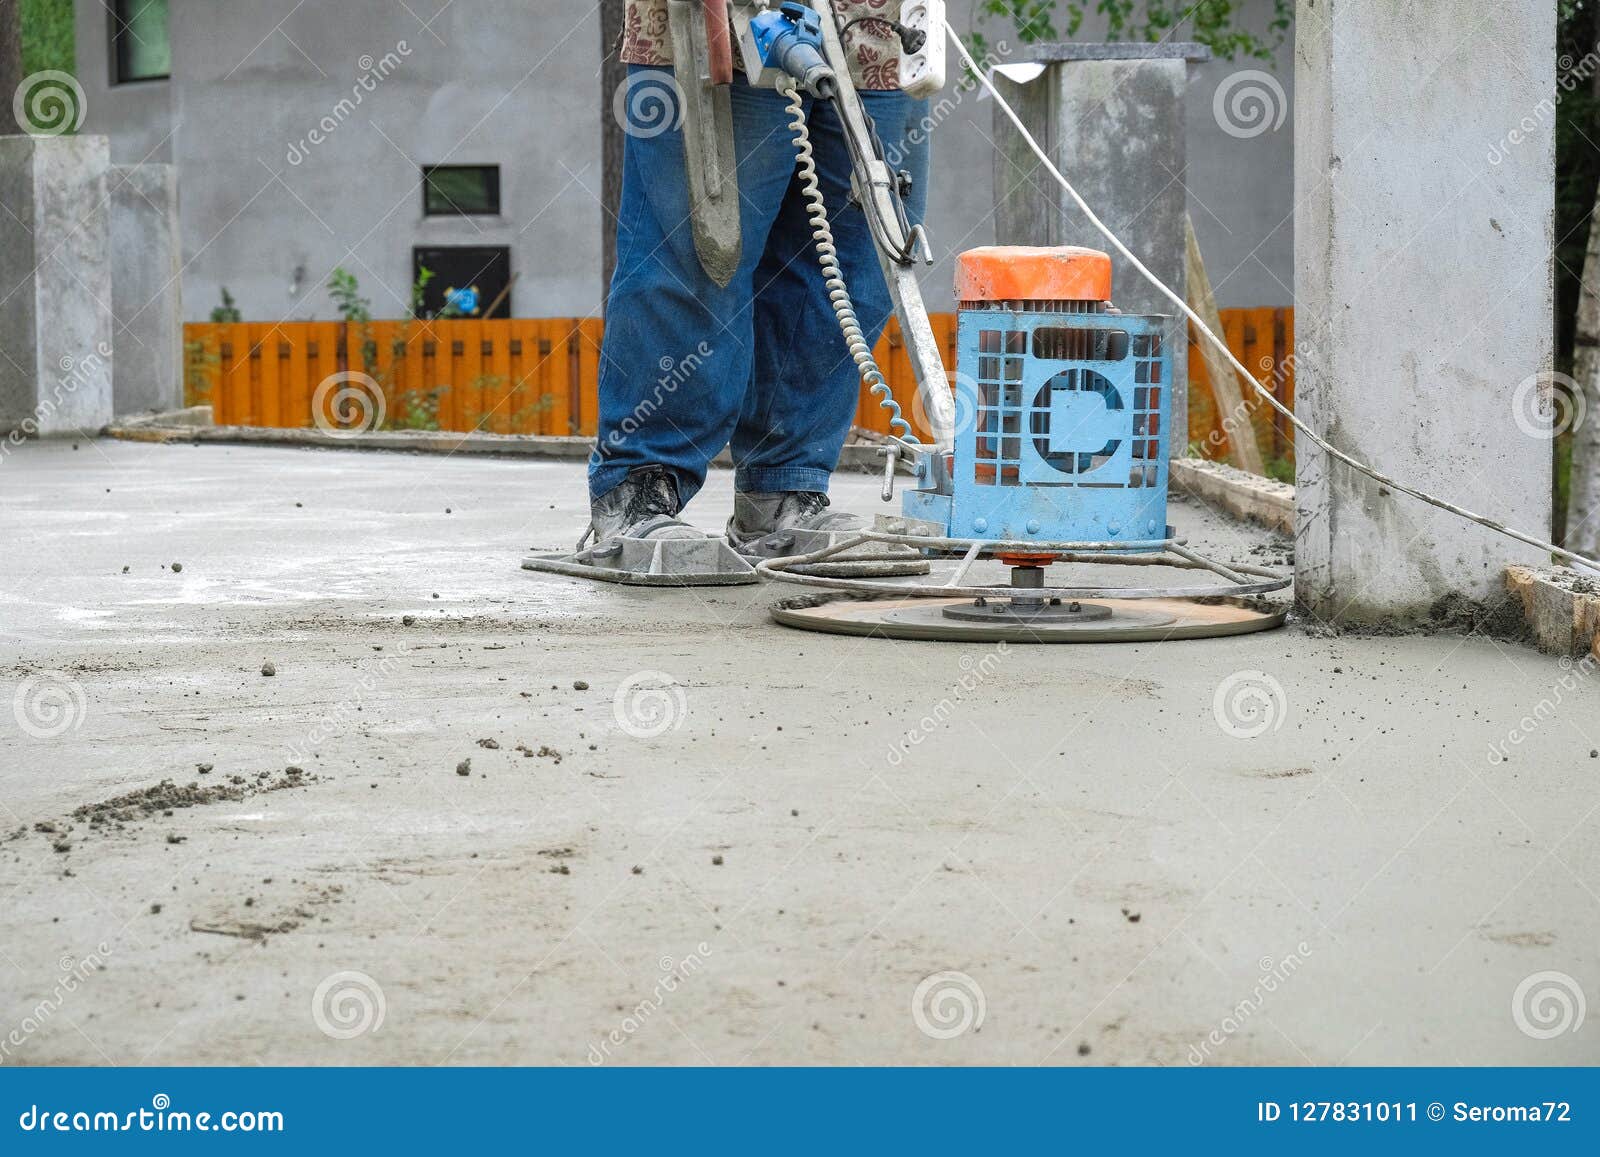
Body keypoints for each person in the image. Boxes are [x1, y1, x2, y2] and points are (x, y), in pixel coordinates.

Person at [590, 1, 930, 548]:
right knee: (698, 261)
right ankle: (636, 492)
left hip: (880, 39)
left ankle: (783, 493)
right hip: (720, 28)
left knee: (850, 275)